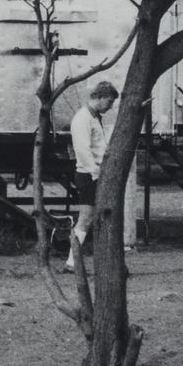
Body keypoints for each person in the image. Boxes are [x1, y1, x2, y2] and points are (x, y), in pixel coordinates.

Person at [64, 81, 118, 271]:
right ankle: (72, 261)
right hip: (88, 174)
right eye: (109, 101)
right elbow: (82, 149)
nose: (110, 106)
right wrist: (95, 173)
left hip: (94, 173)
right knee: (85, 218)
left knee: (93, 217)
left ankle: (75, 261)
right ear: (100, 97)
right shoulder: (83, 118)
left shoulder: (94, 117)